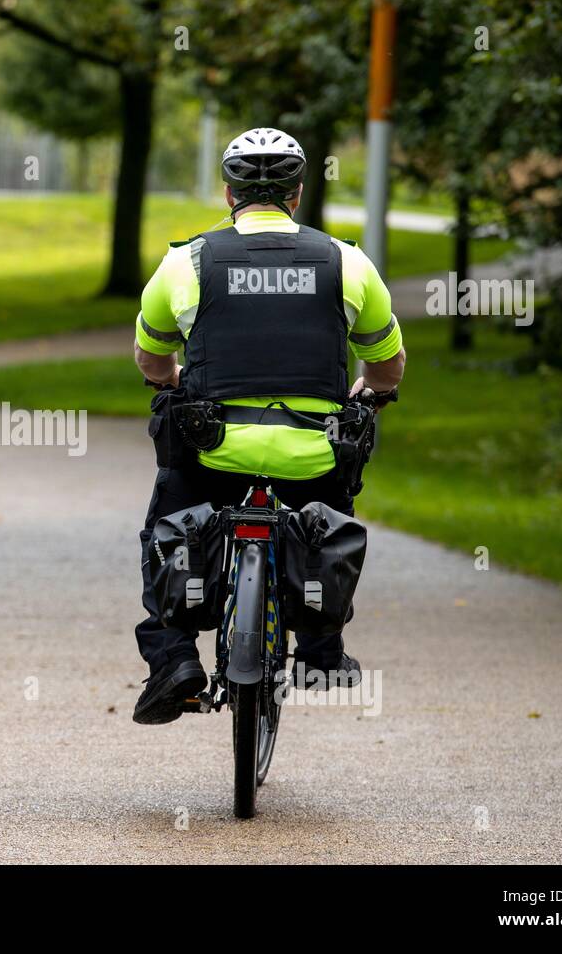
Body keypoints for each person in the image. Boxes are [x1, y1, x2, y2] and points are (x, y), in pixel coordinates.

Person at [131, 127, 406, 725]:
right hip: (314, 454)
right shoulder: (346, 262)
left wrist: (174, 384)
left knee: (166, 532)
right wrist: (374, 392)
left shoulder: (187, 262)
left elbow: (153, 361)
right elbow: (385, 363)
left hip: (213, 454)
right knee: (325, 521)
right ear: (297, 193)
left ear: (229, 194)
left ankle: (174, 661)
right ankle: (320, 651)